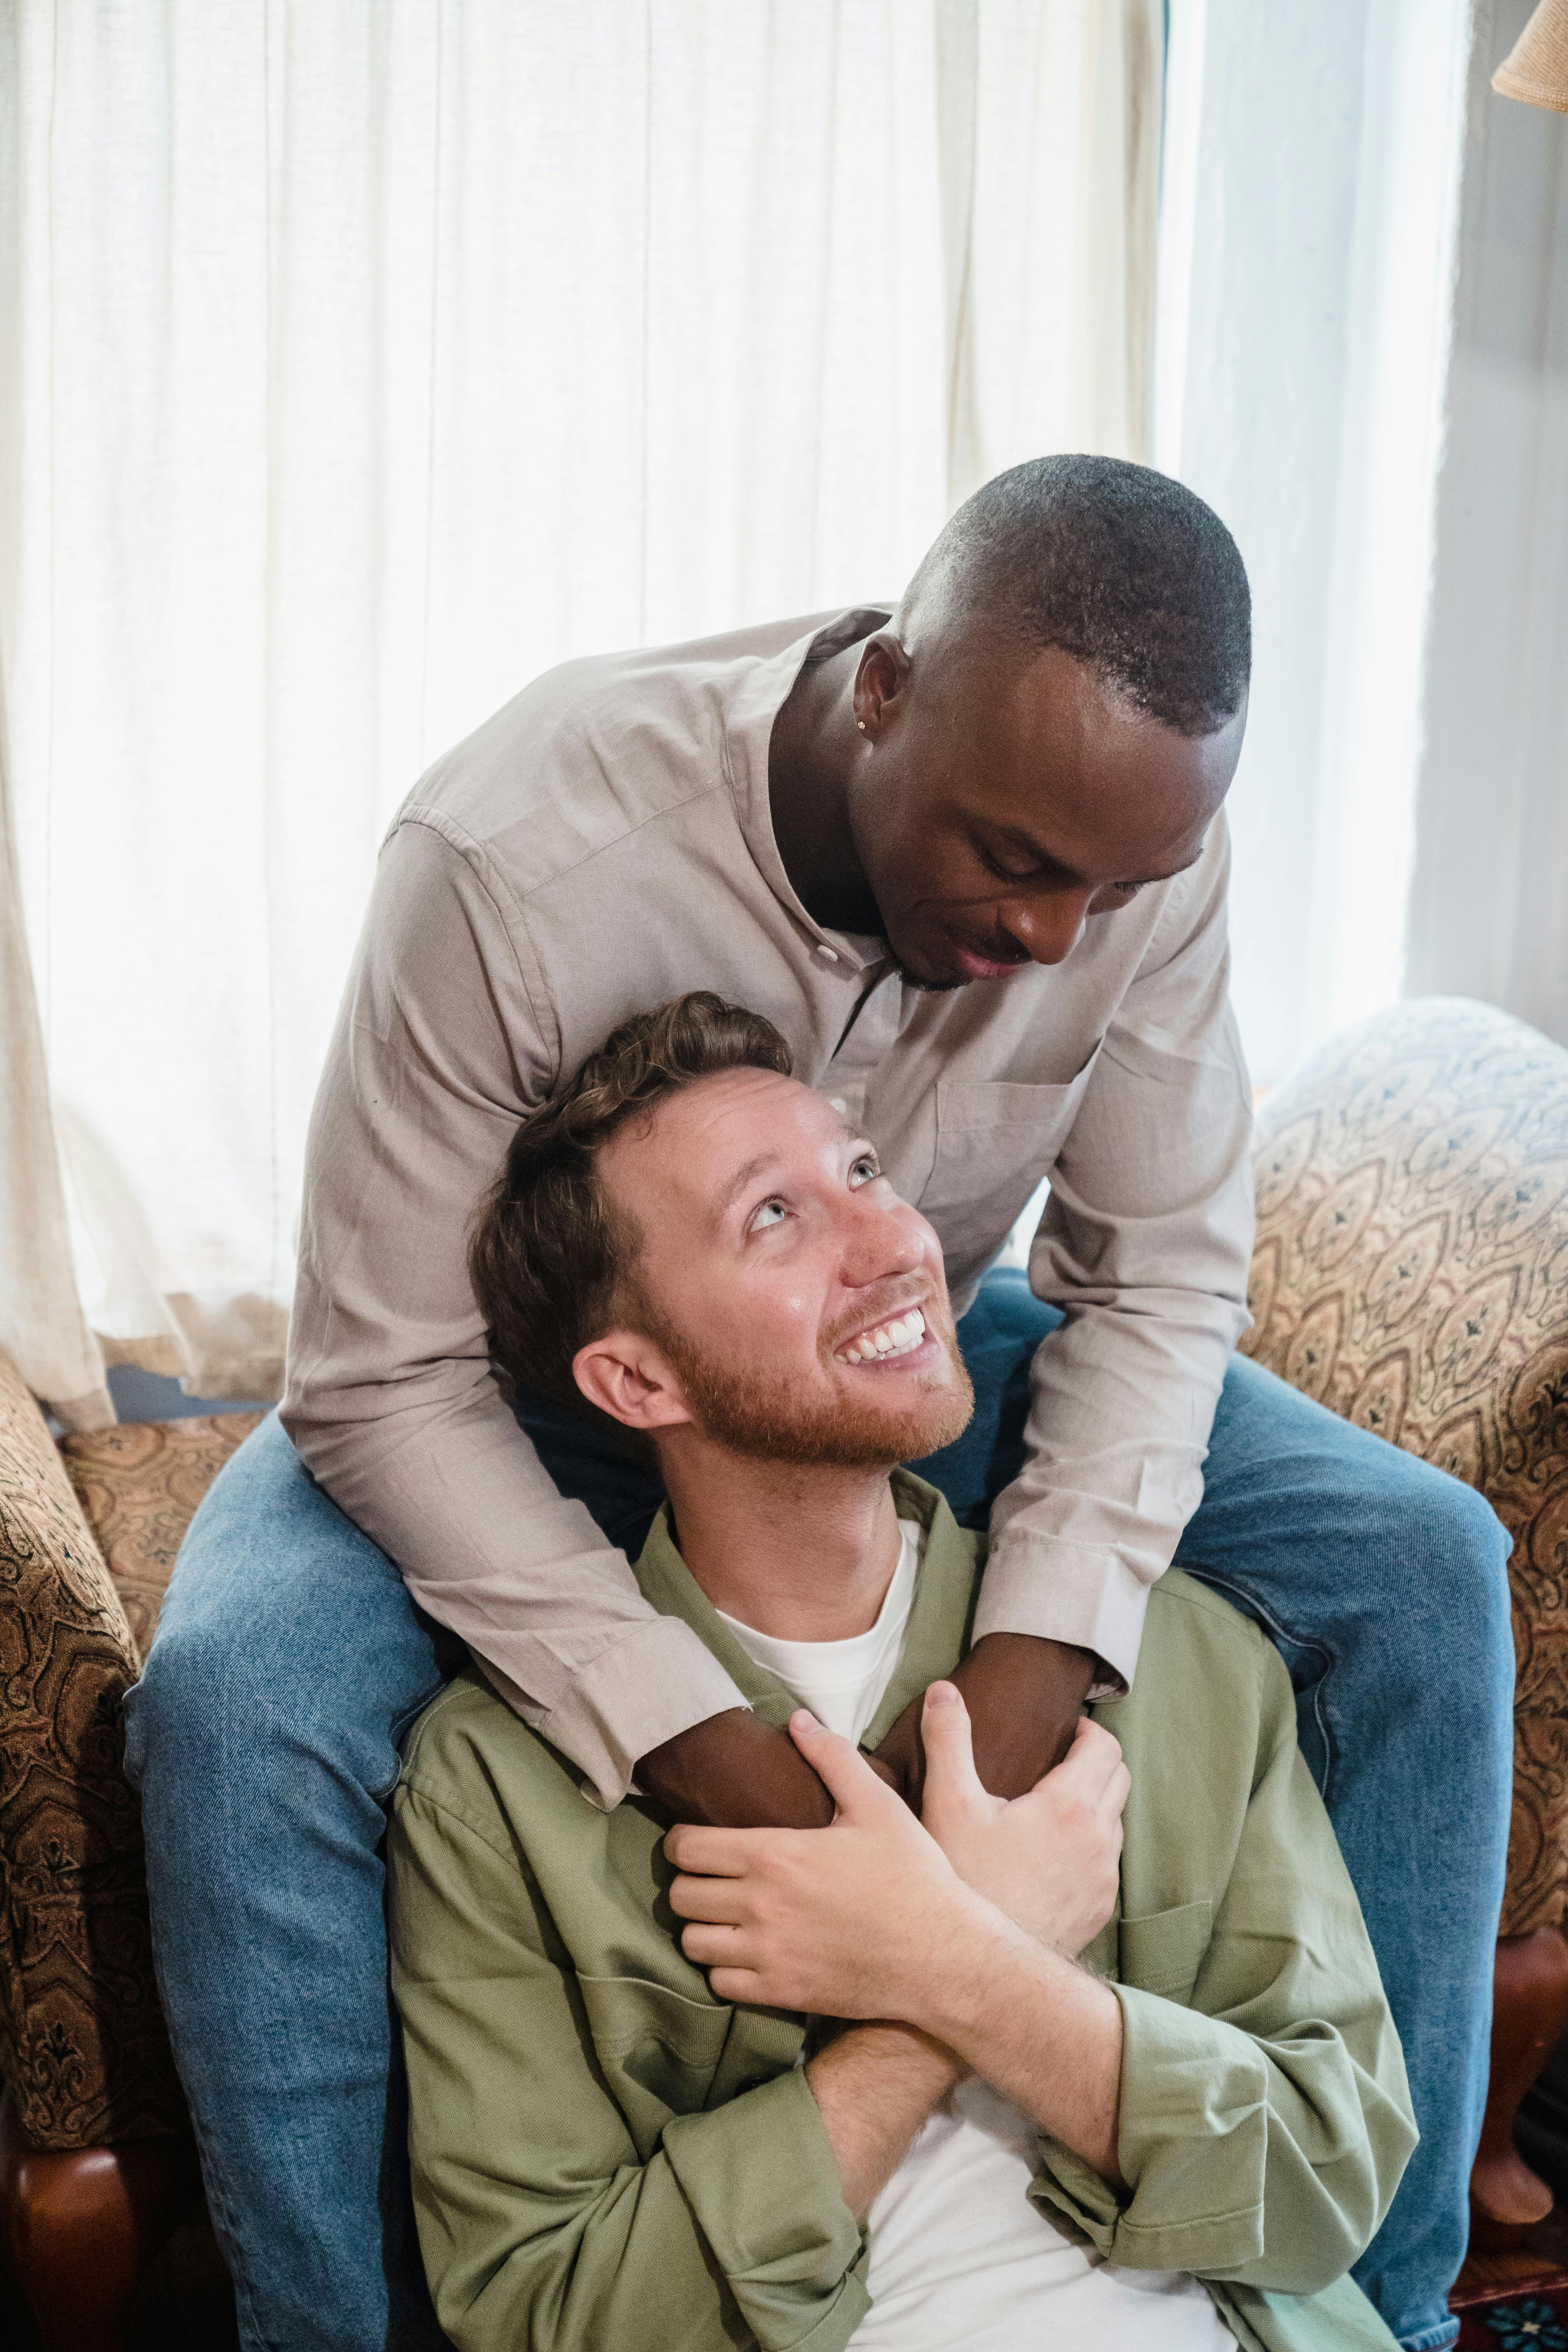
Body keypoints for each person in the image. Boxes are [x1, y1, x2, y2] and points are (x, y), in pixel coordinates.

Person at [124, 456, 1510, 2352]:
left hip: (916, 1327)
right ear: (881, 690)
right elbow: (378, 1377)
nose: (1056, 933)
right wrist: (742, 1772)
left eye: (1113, 889)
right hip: (479, 1377)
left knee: (1421, 1560)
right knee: (238, 1705)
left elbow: (1156, 1279)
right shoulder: (517, 856)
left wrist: (1000, 1741)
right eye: (1012, 861)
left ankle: (1394, 2317)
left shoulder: (1127, 852)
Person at [387, 993, 1417, 2352]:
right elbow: (554, 2317)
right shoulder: (495, 1795)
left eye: (864, 1170)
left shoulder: (1182, 1659)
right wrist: (963, 1962)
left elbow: (1333, 2178)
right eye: (774, 1215)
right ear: (638, 1383)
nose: (897, 1244)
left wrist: (953, 1963)